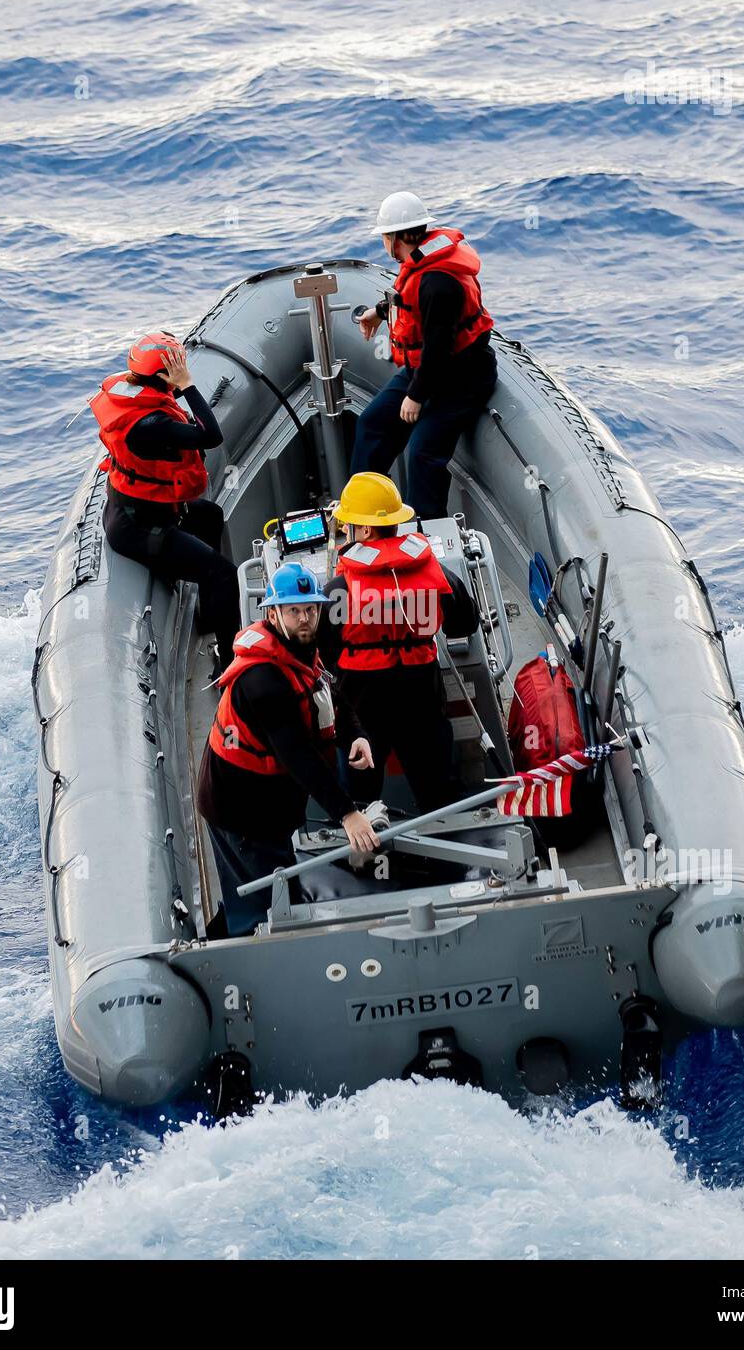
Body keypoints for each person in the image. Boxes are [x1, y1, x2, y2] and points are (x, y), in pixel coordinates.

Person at [197, 563, 381, 936]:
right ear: (273, 613)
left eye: (311, 609)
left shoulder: (301, 650)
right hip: (240, 808)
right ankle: (239, 944)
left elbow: (328, 692)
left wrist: (356, 734)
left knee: (270, 881)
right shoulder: (262, 680)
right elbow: (297, 755)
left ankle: (231, 919)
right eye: (294, 610)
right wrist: (348, 815)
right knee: (263, 905)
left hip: (270, 804)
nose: (305, 619)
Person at [317, 472, 479, 814]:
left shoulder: (338, 592)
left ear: (365, 530)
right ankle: (450, 849)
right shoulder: (435, 574)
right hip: (421, 698)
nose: (345, 532)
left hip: (363, 706)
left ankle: (365, 854)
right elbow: (465, 622)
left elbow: (324, 656)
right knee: (439, 792)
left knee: (361, 801)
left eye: (348, 526)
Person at [91, 331, 240, 661]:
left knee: (210, 517)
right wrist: (187, 385)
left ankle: (209, 613)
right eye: (176, 369)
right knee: (223, 574)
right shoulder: (151, 424)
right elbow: (209, 435)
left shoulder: (135, 394)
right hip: (140, 528)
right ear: (163, 376)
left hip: (151, 508)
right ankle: (231, 663)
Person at [351, 192, 498, 520]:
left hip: (460, 377)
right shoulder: (422, 261)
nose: (384, 243)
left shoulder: (438, 283)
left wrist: (416, 396)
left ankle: (426, 531)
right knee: (372, 424)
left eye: (385, 237)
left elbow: (439, 349)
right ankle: (363, 511)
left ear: (399, 238)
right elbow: (407, 299)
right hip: (426, 370)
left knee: (423, 453)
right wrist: (377, 313)